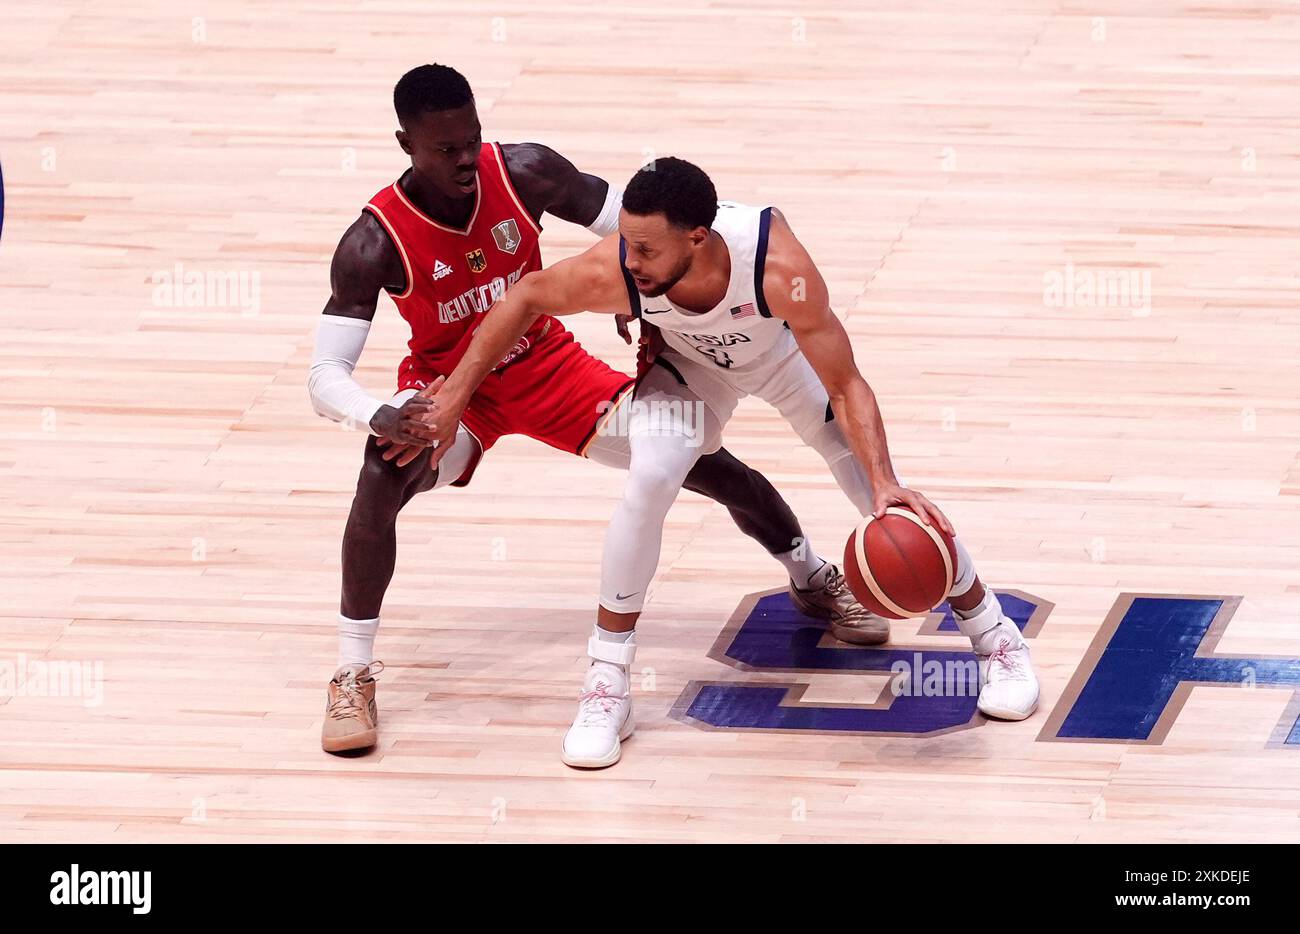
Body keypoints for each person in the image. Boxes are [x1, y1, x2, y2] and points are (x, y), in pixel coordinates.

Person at [308, 68, 880, 754]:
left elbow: (637, 232)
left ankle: (809, 572)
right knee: (382, 472)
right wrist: (377, 414)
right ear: (406, 144)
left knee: (703, 460)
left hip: (549, 368)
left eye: (472, 140)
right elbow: (324, 377)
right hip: (453, 384)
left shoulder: (525, 172)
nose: (465, 160)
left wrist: (643, 297)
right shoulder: (373, 241)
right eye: (444, 150)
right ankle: (352, 673)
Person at [414, 156, 1041, 769]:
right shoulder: (618, 271)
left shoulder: (778, 267)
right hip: (691, 370)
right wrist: (454, 395)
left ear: (699, 236)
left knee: (877, 496)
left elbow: (847, 383)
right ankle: (607, 682)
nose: (631, 262)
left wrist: (885, 481)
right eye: (625, 245)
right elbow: (524, 298)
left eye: (647, 250)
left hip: (780, 360)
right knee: (652, 476)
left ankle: (996, 636)